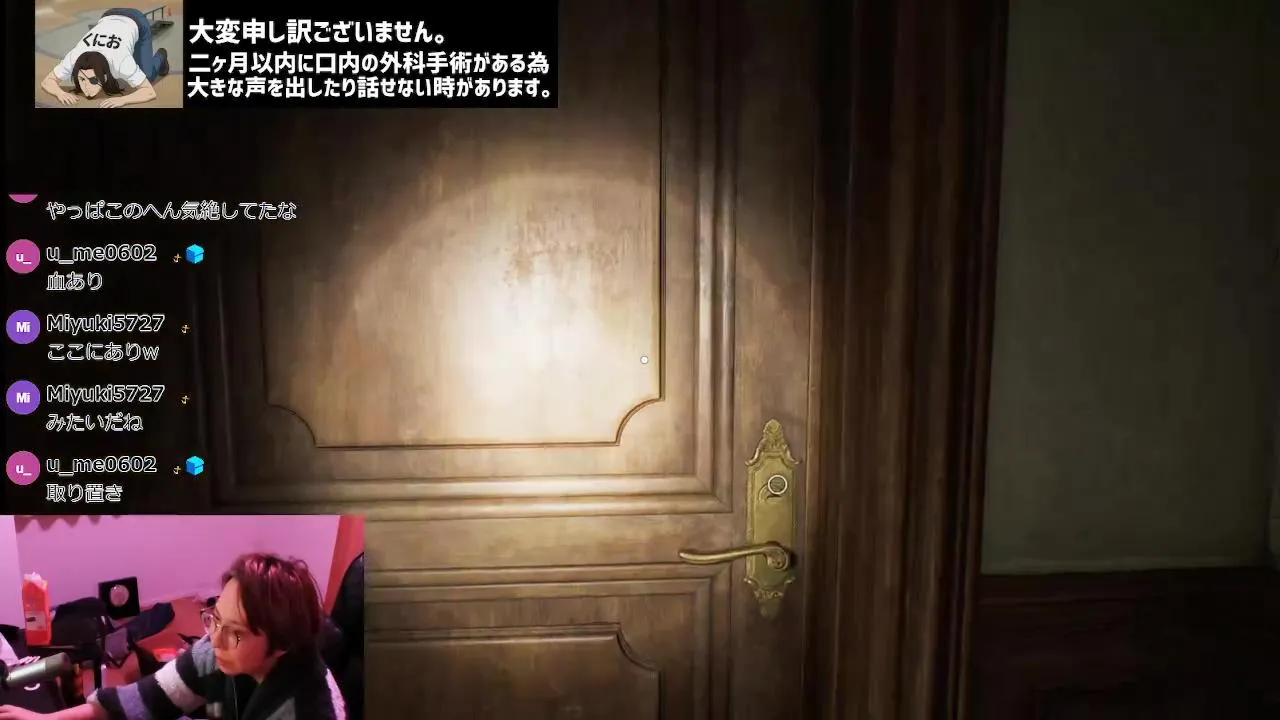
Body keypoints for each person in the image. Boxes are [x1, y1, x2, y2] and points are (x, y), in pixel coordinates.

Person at [0, 553, 347, 720]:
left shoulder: (310, 710)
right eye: (214, 618)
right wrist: (45, 719)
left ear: (282, 644)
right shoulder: (215, 650)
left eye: (236, 633)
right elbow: (143, 699)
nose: (214, 639)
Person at [39, 8, 171, 108]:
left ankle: (161, 56)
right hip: (108, 15)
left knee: (147, 76)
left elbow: (149, 92)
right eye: (81, 79)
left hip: (137, 21)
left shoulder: (120, 61)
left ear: (106, 76)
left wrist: (122, 100)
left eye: (93, 80)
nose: (85, 88)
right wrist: (60, 93)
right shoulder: (74, 58)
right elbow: (47, 81)